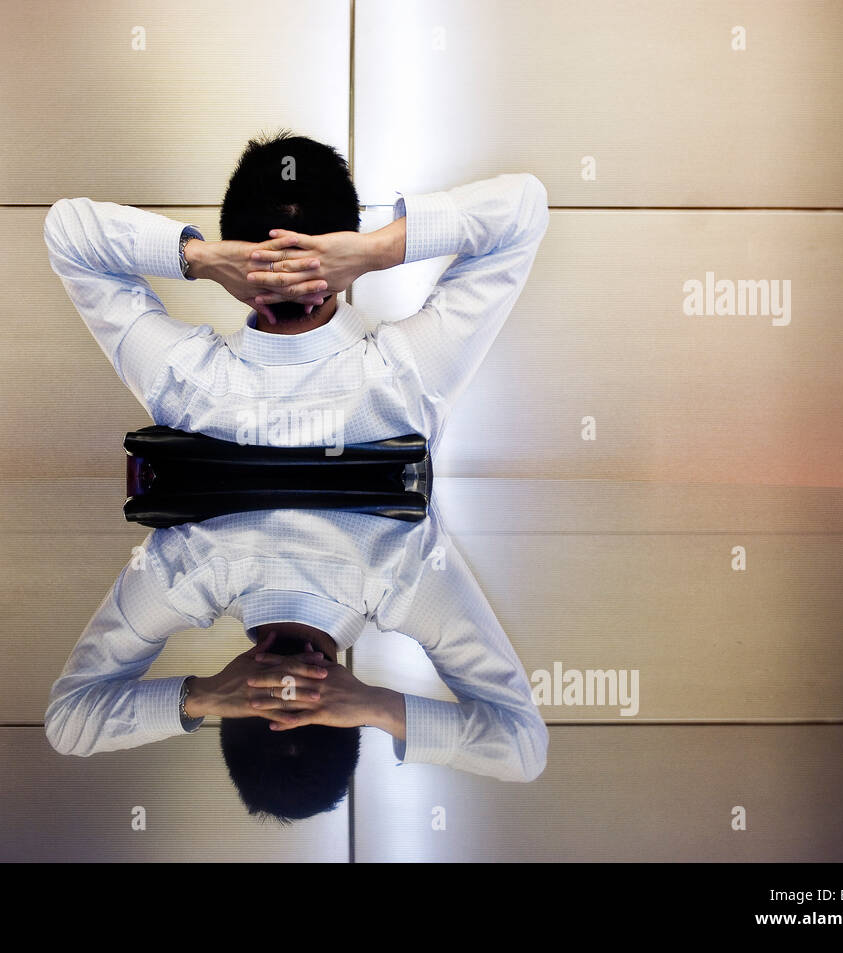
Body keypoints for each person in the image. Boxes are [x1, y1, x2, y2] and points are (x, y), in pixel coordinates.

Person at [43, 129, 550, 457]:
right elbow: (523, 207)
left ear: (239, 249)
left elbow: (67, 231)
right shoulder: (410, 376)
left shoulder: (182, 383)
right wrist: (373, 252)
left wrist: (206, 258)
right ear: (343, 239)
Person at [45, 505, 548, 823]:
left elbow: (524, 749)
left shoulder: (411, 580)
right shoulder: (182, 570)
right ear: (232, 698)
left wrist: (376, 705)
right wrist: (201, 696)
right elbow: (67, 723)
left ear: (349, 713)